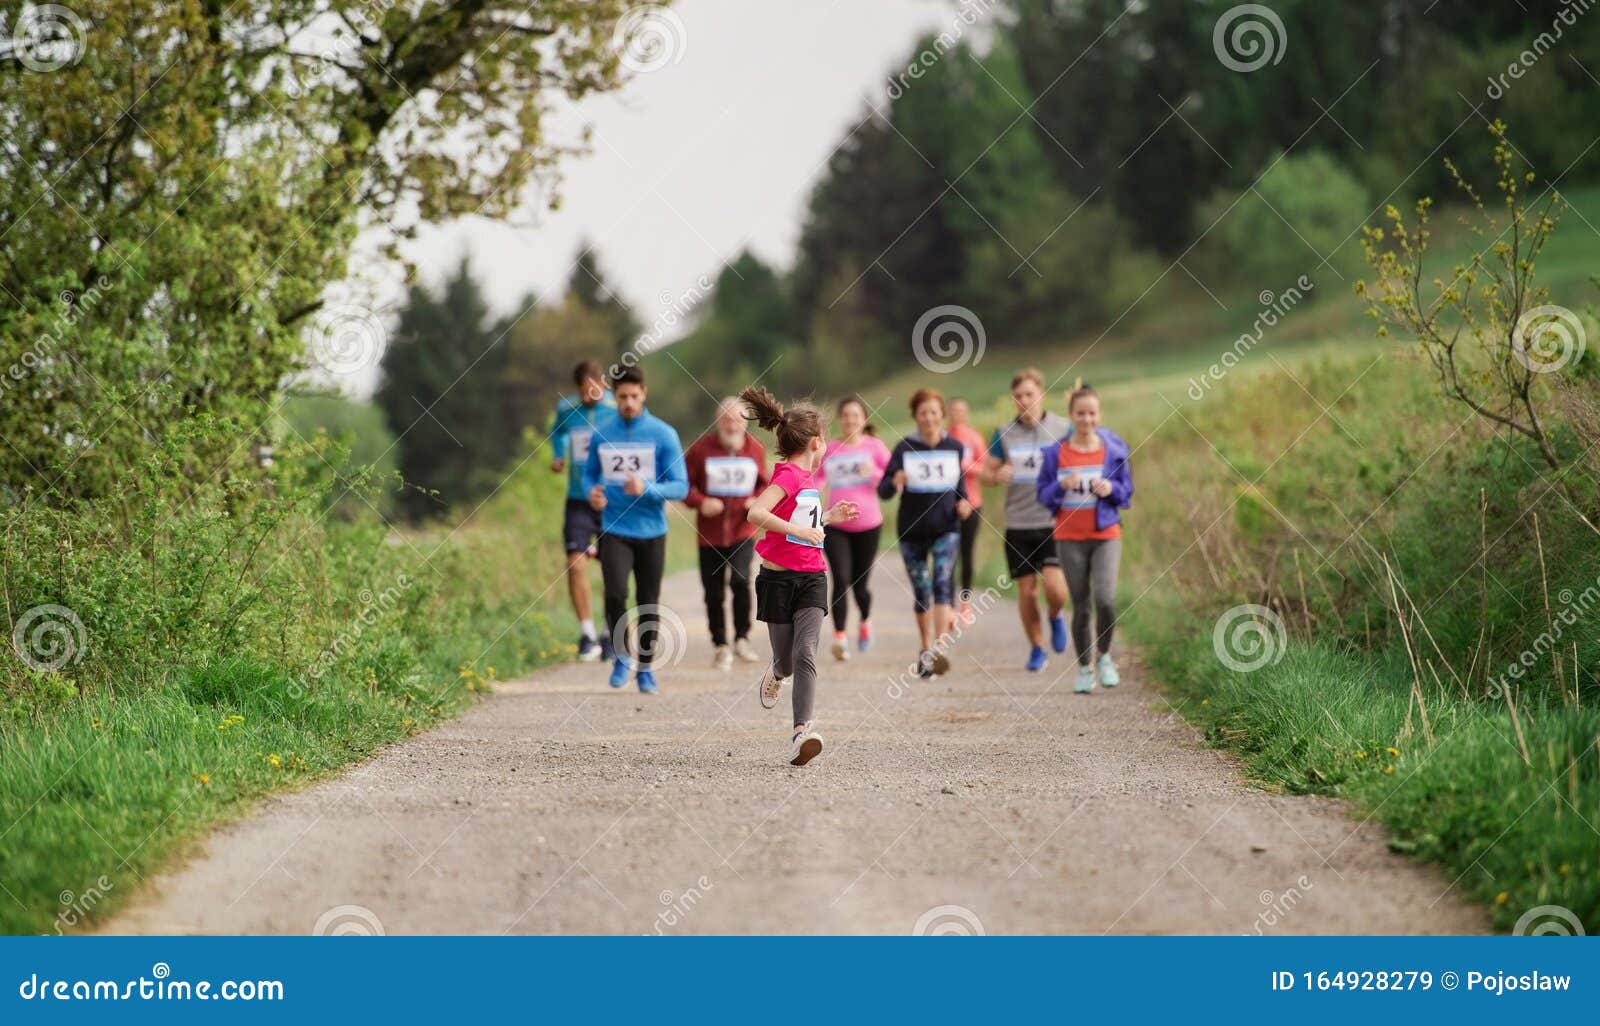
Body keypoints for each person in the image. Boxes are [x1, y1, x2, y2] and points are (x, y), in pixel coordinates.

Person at [740, 386, 858, 766]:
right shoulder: (790, 476)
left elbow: (798, 522)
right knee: (787, 661)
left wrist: (826, 519)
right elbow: (756, 514)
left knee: (806, 653)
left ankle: (800, 733)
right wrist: (810, 532)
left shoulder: (808, 481)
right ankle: (776, 671)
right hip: (777, 581)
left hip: (811, 578)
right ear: (817, 442)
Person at [581, 365, 688, 694]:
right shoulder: (601, 432)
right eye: (622, 396)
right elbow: (588, 475)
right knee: (615, 593)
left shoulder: (663, 433)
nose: (628, 402)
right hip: (613, 526)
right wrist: (592, 492)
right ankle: (620, 657)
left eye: (634, 396)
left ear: (644, 394)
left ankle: (645, 668)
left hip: (651, 529)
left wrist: (648, 488)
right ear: (614, 396)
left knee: (648, 601)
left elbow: (681, 487)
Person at [1037, 382, 1133, 694]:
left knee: (1104, 599)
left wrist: (1111, 490)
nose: (1087, 419)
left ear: (1099, 414)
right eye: (1081, 414)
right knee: (1081, 605)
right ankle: (1084, 667)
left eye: (1092, 413)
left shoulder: (1113, 450)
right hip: (1069, 536)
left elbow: (1126, 492)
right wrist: (1061, 487)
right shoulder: (1056, 453)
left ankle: (1104, 657)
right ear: (1071, 416)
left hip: (1106, 534)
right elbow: (1043, 494)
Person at [982, 368, 1071, 672]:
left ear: (1041, 395)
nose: (1024, 401)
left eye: (1029, 395)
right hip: (1018, 524)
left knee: (1056, 589)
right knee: (1027, 591)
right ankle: (1037, 648)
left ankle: (1057, 615)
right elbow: (985, 473)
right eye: (1018, 396)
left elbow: (1083, 457)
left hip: (1053, 521)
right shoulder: (1003, 432)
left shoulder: (1062, 428)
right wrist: (996, 475)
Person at [878, 388, 971, 678]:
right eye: (923, 413)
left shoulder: (955, 447)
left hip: (946, 528)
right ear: (915, 417)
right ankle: (925, 647)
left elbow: (961, 488)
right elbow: (883, 491)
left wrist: (964, 503)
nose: (929, 418)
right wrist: (895, 481)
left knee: (943, 582)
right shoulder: (904, 448)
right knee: (922, 591)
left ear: (941, 414)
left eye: (933, 412)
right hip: (912, 531)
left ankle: (940, 648)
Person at [684, 397, 768, 671]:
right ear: (718, 421)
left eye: (738, 420)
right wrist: (701, 502)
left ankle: (742, 638)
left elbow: (765, 485)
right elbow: (683, 486)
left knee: (742, 581)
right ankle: (720, 645)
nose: (732, 425)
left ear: (745, 423)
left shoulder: (755, 449)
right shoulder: (701, 449)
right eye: (727, 419)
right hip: (709, 533)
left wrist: (754, 499)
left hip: (742, 529)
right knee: (713, 591)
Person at [549, 360, 617, 662]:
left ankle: (608, 632)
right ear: (578, 390)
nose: (591, 397)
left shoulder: (617, 409)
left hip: (611, 500)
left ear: (603, 382)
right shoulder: (567, 409)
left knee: (613, 569)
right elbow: (557, 432)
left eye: (595, 389)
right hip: (578, 500)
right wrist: (558, 455)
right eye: (584, 392)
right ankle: (588, 634)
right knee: (575, 564)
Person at [818, 395, 891, 662]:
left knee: (860, 586)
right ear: (841, 419)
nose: (850, 420)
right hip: (836, 525)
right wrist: (810, 497)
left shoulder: (875, 447)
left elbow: (892, 480)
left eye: (855, 415)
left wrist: (873, 473)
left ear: (864, 419)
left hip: (869, 525)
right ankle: (839, 638)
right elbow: (818, 479)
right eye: (846, 415)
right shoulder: (831, 449)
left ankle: (865, 621)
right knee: (840, 578)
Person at [946, 397, 987, 627]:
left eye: (960, 410)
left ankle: (965, 604)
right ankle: (948, 605)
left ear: (967, 414)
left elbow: (984, 467)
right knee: (948, 556)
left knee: (967, 554)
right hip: (946, 505)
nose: (956, 414)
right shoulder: (943, 437)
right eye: (952, 411)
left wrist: (965, 467)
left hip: (972, 502)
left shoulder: (974, 437)